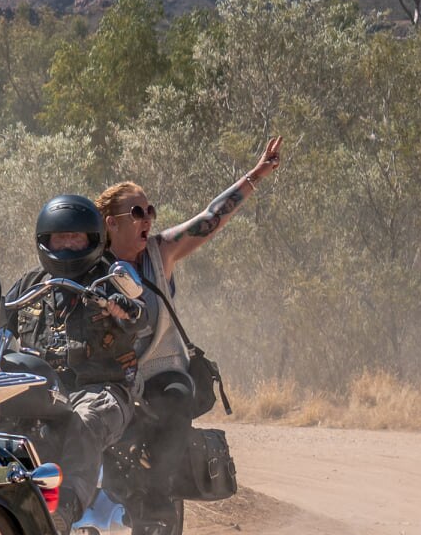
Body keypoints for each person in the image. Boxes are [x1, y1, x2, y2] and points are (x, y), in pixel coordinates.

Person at [97, 135, 284, 420]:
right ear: (112, 223)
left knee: (176, 407)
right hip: (115, 384)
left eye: (150, 211)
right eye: (137, 212)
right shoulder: (94, 268)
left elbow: (210, 218)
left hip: (164, 376)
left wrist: (256, 174)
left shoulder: (161, 252)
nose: (147, 219)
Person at [4, 194, 142, 533]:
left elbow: (139, 316)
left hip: (103, 390)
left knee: (85, 420)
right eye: (59, 238)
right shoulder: (31, 284)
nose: (66, 245)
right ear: (45, 241)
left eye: (75, 237)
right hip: (43, 392)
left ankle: (62, 511)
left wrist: (125, 308)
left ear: (92, 240)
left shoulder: (109, 280)